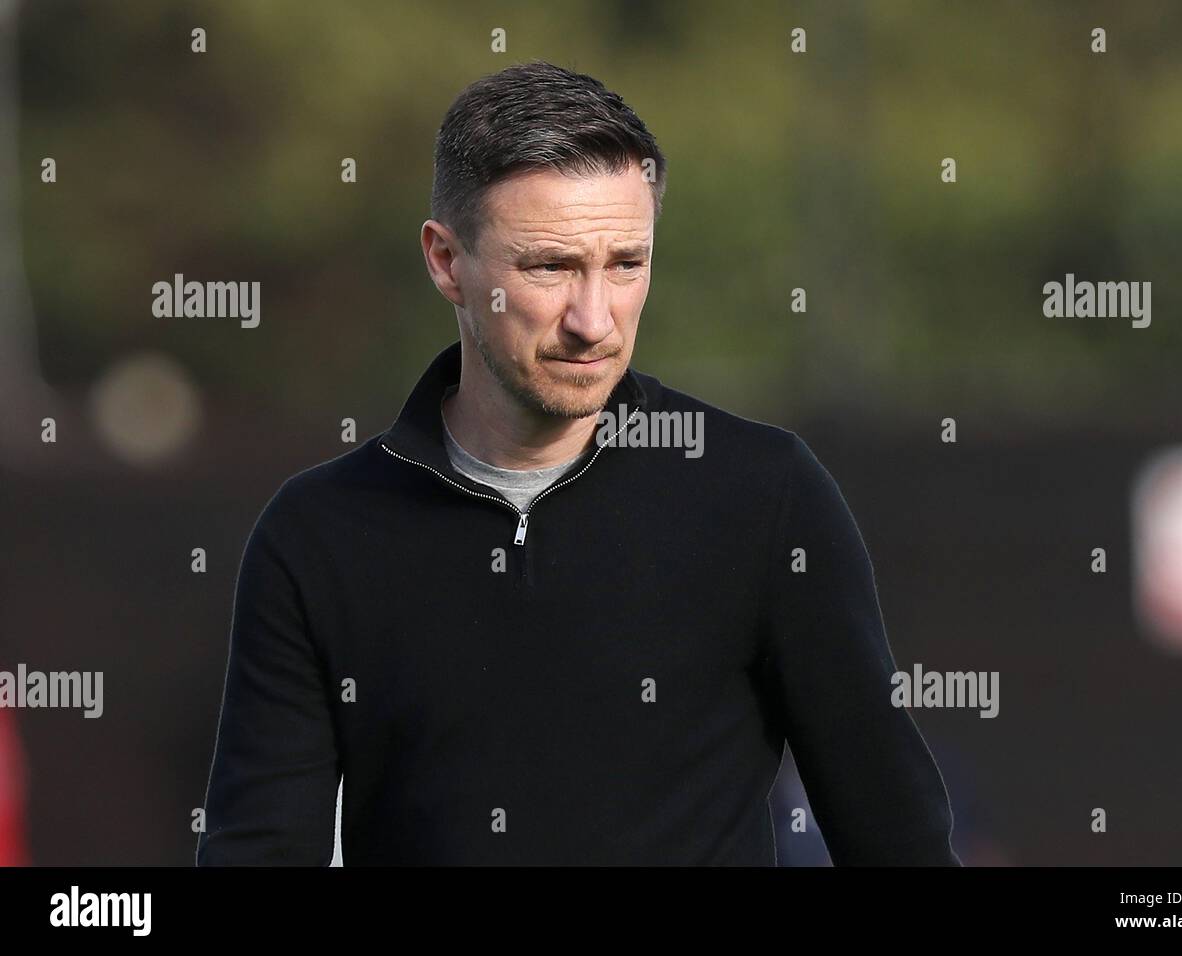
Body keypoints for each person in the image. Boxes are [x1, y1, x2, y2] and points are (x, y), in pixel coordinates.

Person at [196, 60, 959, 866]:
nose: (594, 320)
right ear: (447, 262)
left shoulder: (763, 495)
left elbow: (896, 837)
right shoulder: (317, 537)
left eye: (626, 264)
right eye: (550, 267)